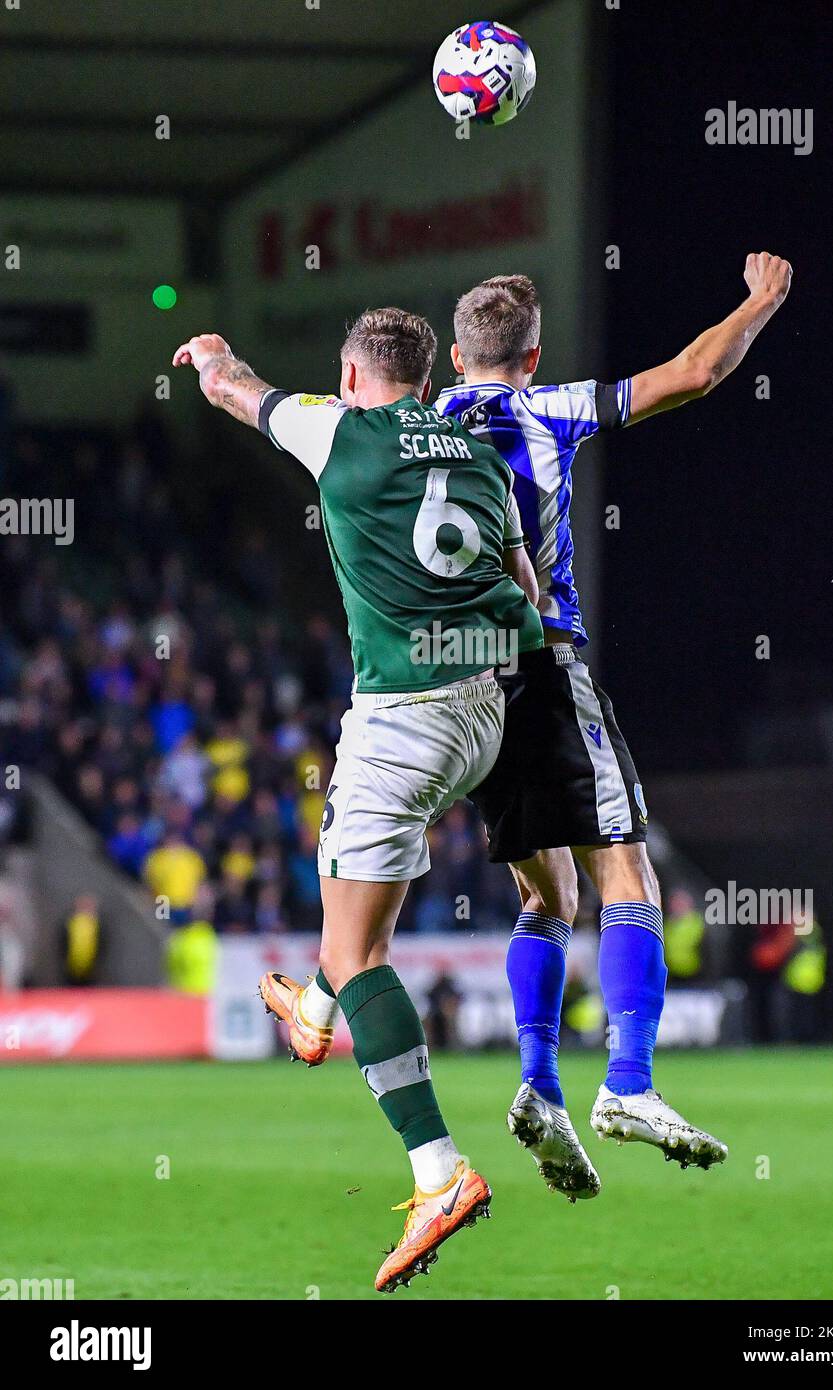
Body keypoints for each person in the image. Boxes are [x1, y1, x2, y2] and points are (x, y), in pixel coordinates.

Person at [173, 307, 544, 1292]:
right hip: (481, 711)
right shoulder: (478, 456)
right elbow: (525, 593)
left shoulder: (335, 427)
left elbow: (231, 391)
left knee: (356, 948)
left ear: (350, 373)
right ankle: (311, 1008)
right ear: (425, 378)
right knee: (349, 931)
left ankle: (438, 1171)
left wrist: (213, 349)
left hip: (399, 719)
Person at [433, 255, 792, 1190]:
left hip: (458, 687)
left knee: (547, 899)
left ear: (454, 360)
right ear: (533, 356)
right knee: (628, 877)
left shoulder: (409, 431)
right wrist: (758, 300)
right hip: (545, 663)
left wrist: (227, 377)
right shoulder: (547, 408)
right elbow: (695, 373)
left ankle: (540, 1084)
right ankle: (627, 1082)